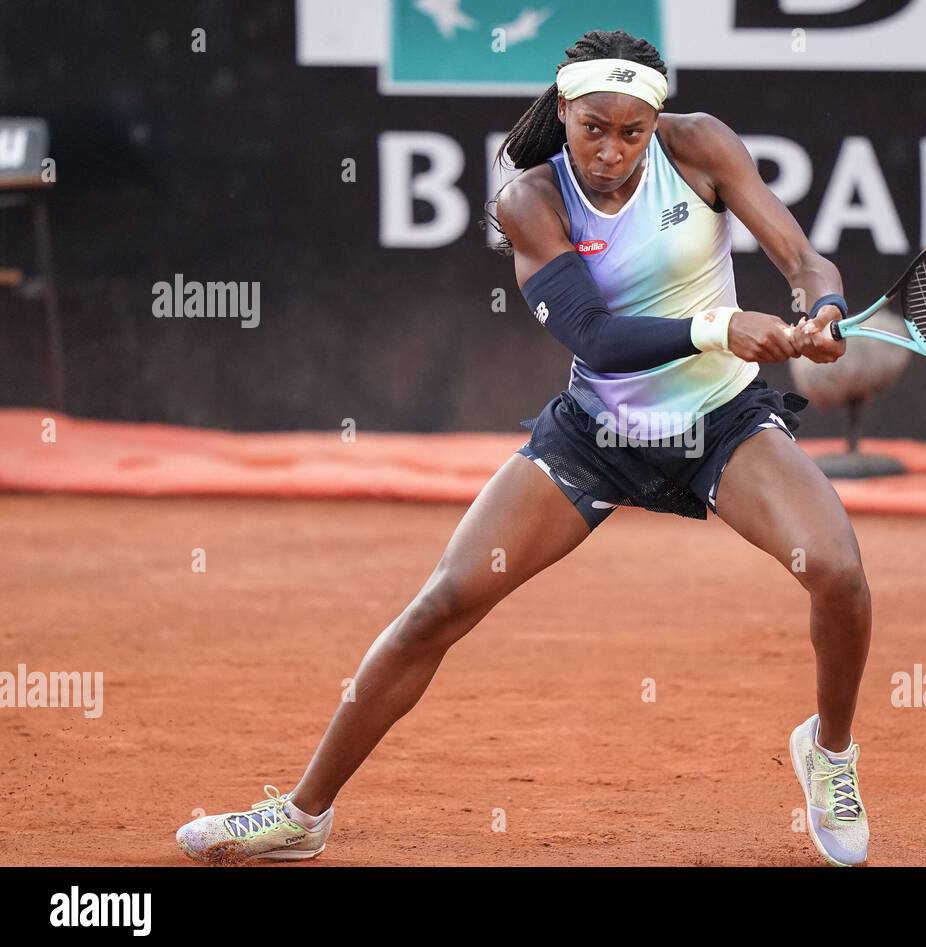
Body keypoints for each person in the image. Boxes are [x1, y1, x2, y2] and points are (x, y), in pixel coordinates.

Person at [176, 28, 871, 868]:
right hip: (597, 434)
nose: (611, 150)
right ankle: (302, 813)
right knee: (441, 604)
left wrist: (822, 308)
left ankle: (829, 754)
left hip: (719, 422)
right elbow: (595, 335)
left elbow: (803, 258)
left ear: (656, 122)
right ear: (564, 110)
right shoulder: (528, 201)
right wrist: (723, 324)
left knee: (835, 569)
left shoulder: (700, 146)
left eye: (631, 132)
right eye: (593, 128)